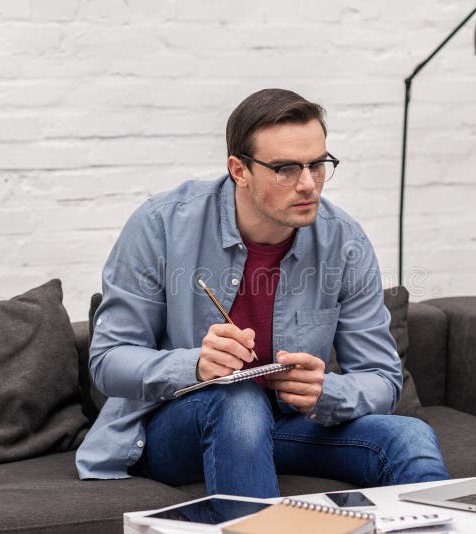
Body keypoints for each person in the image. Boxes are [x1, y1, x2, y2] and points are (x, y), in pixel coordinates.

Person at [75, 88, 449, 496]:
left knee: (410, 438)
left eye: (318, 165)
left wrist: (327, 391)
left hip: (288, 426)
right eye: (285, 168)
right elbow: (108, 361)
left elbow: (382, 378)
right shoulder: (161, 224)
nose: (308, 184)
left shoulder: (345, 241)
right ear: (239, 170)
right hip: (174, 431)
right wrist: (195, 365)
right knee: (239, 402)